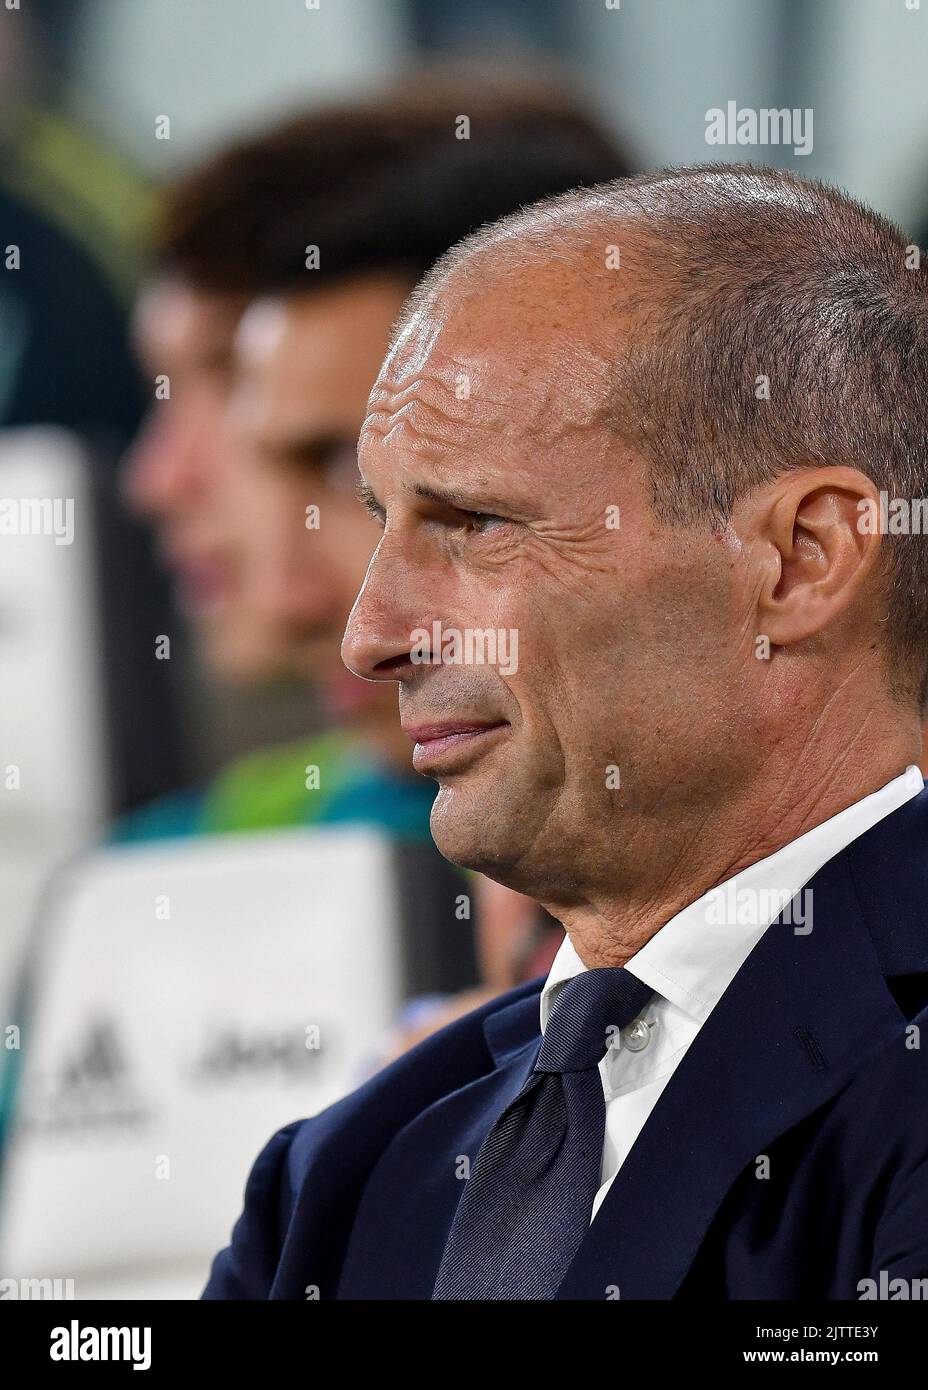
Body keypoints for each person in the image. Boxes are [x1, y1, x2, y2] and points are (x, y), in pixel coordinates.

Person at [204, 165, 928, 1300]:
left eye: (476, 524)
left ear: (800, 558)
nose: (369, 635)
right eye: (382, 524)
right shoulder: (344, 1175)